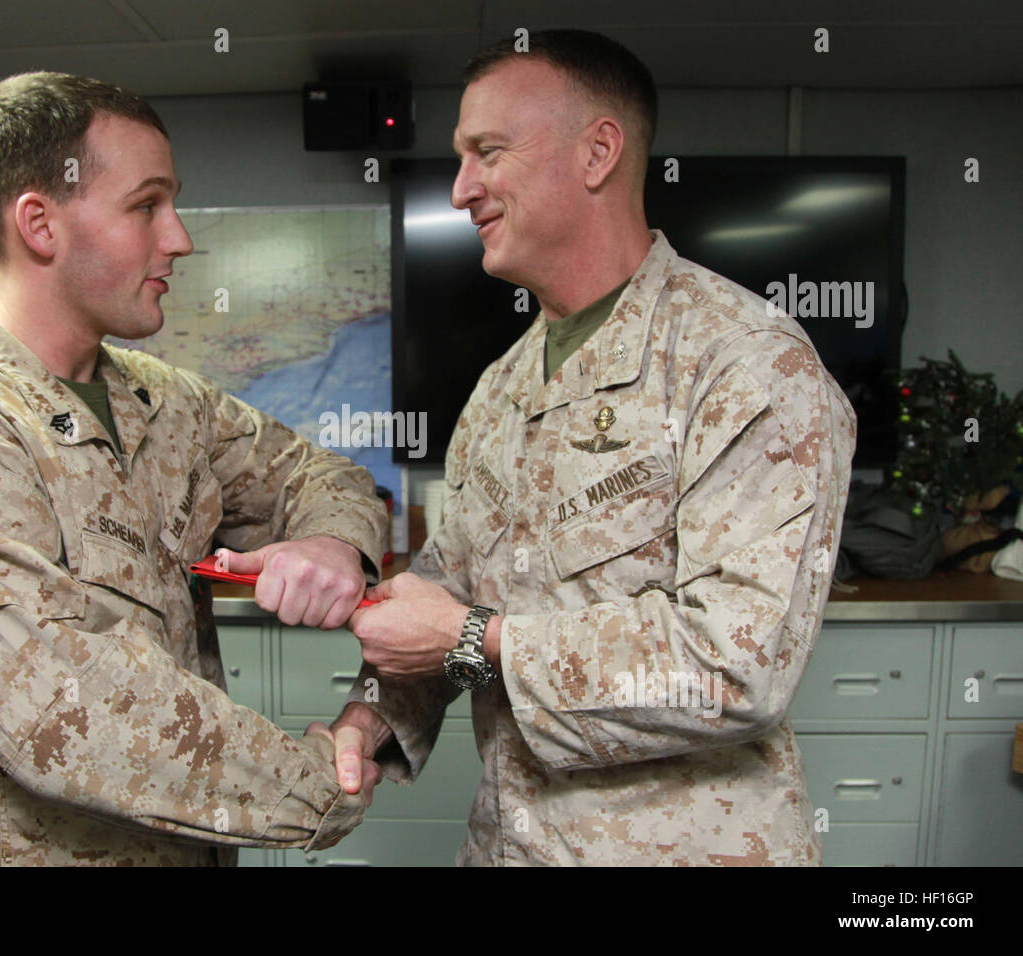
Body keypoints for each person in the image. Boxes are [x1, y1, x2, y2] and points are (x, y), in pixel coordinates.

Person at [326, 30, 857, 865]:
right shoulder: (503, 386)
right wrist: (371, 715)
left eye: (486, 152)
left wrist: (478, 638)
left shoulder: (746, 363)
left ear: (598, 152)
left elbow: (735, 666)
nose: (461, 189)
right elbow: (449, 585)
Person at [0, 71, 386, 866]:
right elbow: (68, 711)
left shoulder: (164, 402)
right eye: (146, 206)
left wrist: (335, 545)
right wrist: (320, 784)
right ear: (40, 224)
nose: (180, 238)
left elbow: (327, 478)